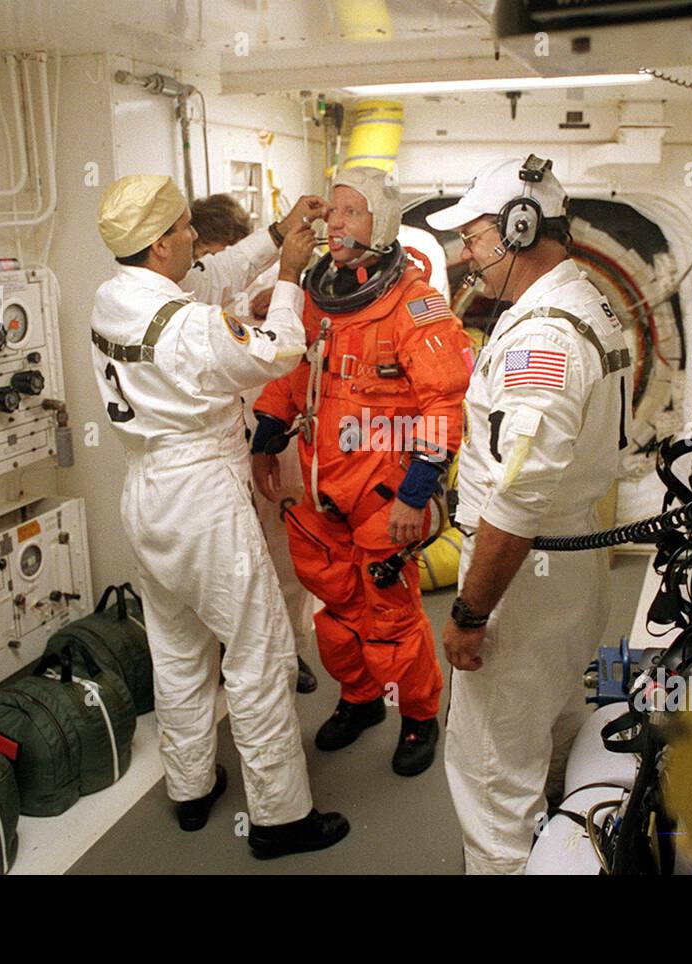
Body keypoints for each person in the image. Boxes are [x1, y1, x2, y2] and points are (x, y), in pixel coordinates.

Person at [91, 173, 347, 858]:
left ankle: (191, 786)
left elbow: (210, 273)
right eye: (181, 232)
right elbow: (280, 349)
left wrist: (273, 232)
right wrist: (290, 274)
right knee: (258, 654)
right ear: (156, 247)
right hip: (202, 497)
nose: (193, 242)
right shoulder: (192, 328)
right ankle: (280, 818)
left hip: (145, 497)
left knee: (176, 650)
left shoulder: (113, 300)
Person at [425, 156, 633, 874]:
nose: (468, 259)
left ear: (520, 228)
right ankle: (558, 853)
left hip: (525, 573)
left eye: (477, 240)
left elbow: (517, 499)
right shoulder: (590, 300)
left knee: (490, 771)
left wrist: (471, 614)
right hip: (572, 565)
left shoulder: (543, 336)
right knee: (550, 728)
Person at [251, 167, 473, 777]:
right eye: (333, 212)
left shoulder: (415, 306)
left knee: (391, 612)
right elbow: (293, 373)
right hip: (322, 490)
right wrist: (267, 437)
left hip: (385, 492)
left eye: (352, 211)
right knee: (335, 606)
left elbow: (442, 407)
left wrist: (415, 496)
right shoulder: (314, 300)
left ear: (383, 223)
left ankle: (420, 715)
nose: (335, 222)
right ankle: (359, 698)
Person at [189, 194, 319, 696]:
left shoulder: (281, 282)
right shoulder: (191, 296)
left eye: (218, 250)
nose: (212, 263)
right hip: (220, 443)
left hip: (274, 433)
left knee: (286, 553)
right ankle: (232, 649)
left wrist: (293, 303)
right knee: (231, 558)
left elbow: (301, 347)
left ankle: (292, 650)